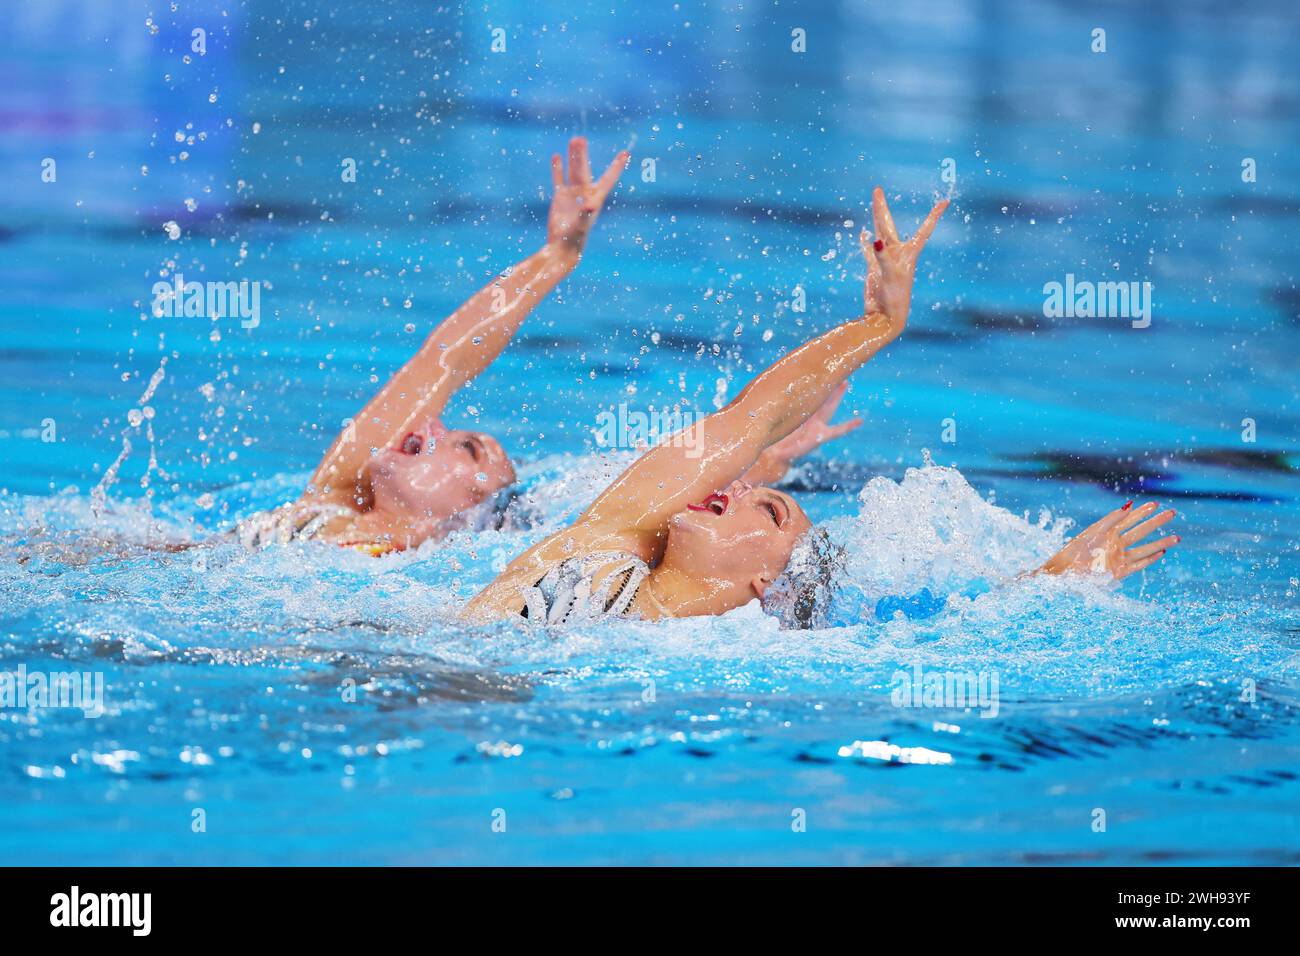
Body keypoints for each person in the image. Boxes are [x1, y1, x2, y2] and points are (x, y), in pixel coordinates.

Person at [463, 188, 1179, 624]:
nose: (739, 485)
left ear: (765, 587)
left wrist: (1056, 583)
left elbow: (931, 640)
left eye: (768, 509)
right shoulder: (603, 547)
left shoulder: (745, 662)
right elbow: (751, 421)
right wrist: (877, 327)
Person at [236, 138, 630, 554]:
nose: (427, 423)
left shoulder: (455, 584)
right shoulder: (329, 506)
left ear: (474, 510)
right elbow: (445, 360)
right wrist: (557, 256)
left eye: (467, 447)